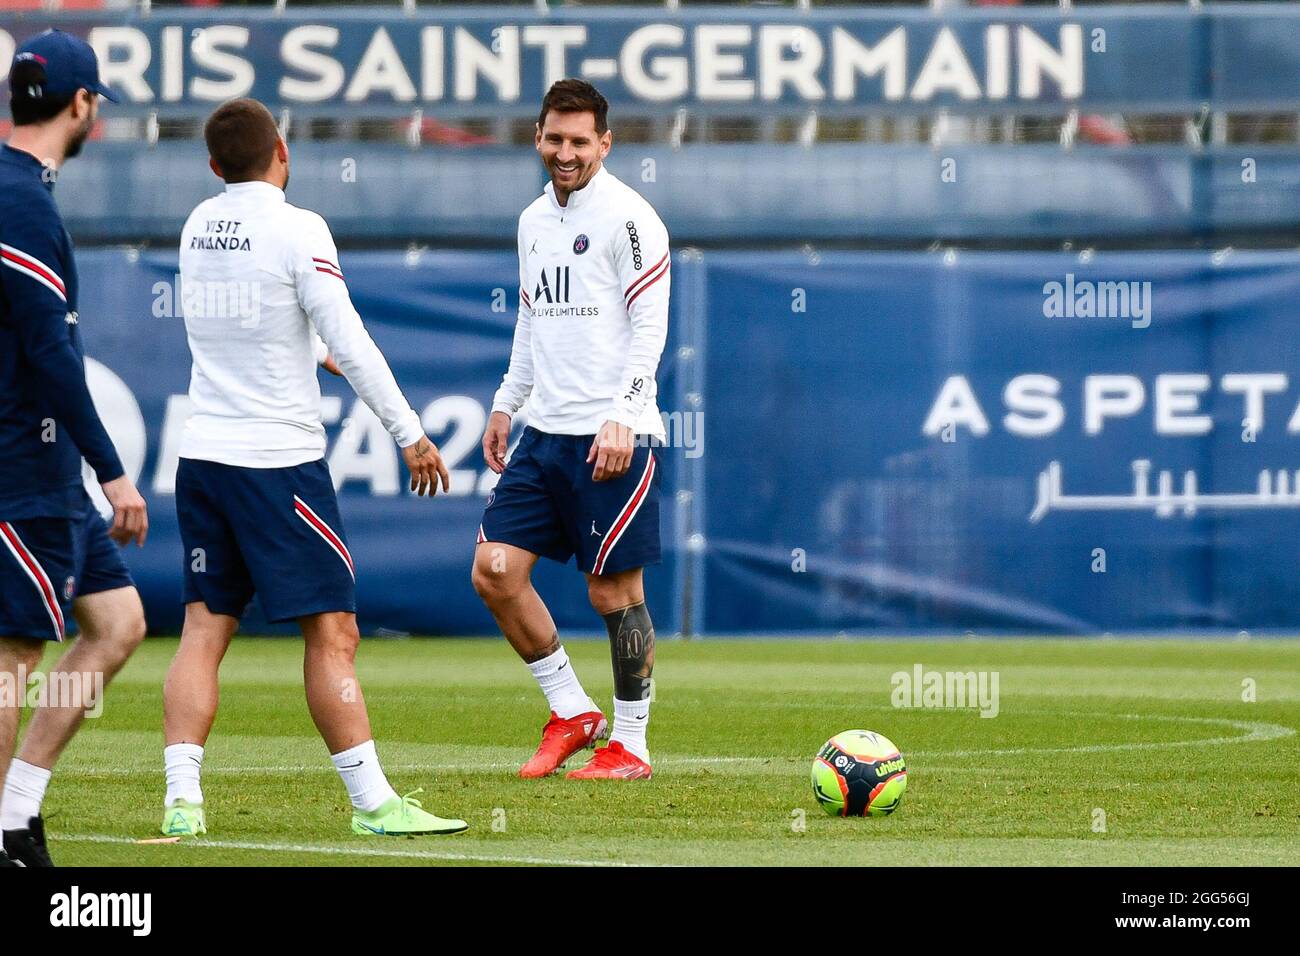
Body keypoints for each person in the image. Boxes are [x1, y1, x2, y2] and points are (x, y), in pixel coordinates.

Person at [162, 97, 465, 836]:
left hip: (203, 457)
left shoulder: (198, 225)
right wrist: (409, 432)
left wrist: (307, 351)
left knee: (203, 630)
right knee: (334, 633)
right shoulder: (300, 229)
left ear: (214, 166)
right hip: (278, 466)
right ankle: (373, 803)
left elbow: (245, 317)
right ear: (283, 153)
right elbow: (350, 337)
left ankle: (182, 803)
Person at [474, 79, 670, 781]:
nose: (566, 152)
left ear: (604, 144)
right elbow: (531, 318)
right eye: (554, 138)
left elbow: (650, 327)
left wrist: (624, 415)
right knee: (495, 571)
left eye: (580, 141)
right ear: (537, 137)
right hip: (545, 433)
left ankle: (632, 746)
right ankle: (571, 711)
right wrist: (507, 403)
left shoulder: (630, 218)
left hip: (611, 435)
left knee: (613, 593)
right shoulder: (532, 220)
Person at [0, 30, 150, 867]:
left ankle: (17, 814)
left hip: (47, 471)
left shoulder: (21, 188)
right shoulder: (21, 199)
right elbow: (49, 354)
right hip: (21, 467)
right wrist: (114, 471)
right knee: (14, 656)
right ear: (82, 103)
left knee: (118, 622)